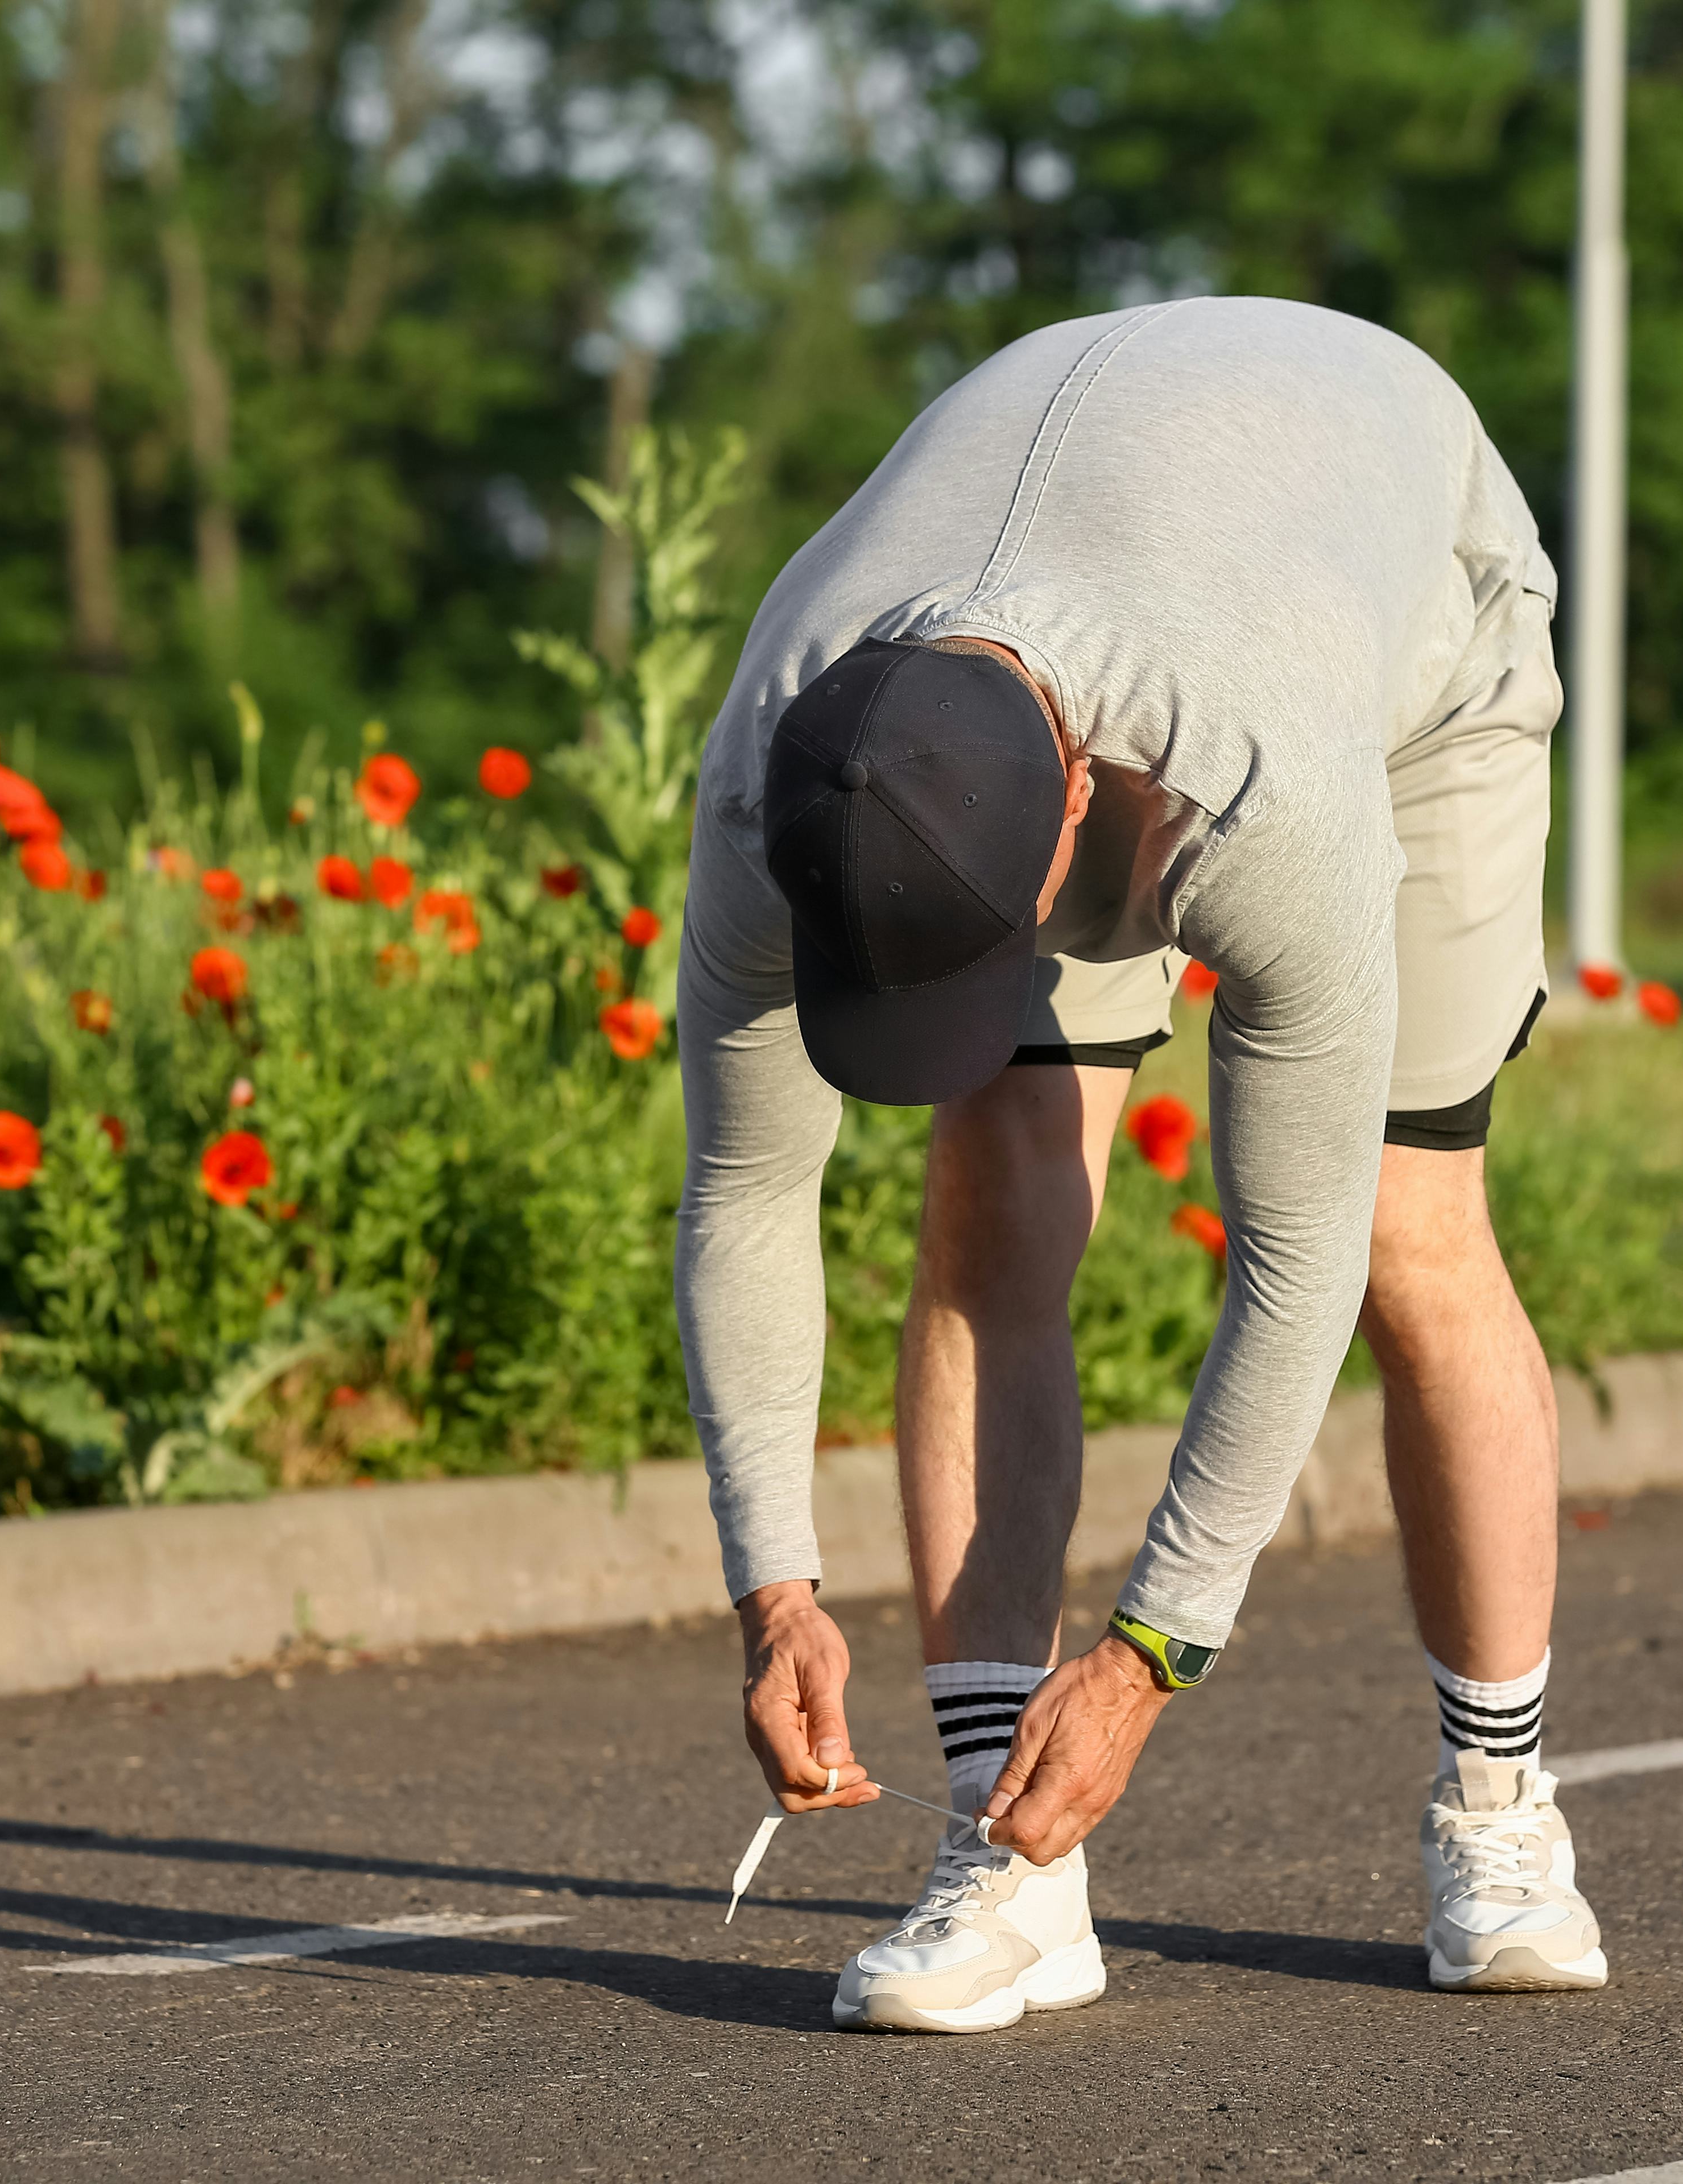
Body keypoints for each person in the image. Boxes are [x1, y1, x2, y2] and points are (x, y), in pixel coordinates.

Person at [677, 295, 1602, 2033]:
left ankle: (1500, 1810)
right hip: (1093, 549)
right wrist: (771, 1586)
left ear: (1073, 837)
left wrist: (1151, 1653)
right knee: (995, 1198)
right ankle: (1003, 1859)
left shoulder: (1261, 790)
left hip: (1404, 610)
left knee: (1405, 1231)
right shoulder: (774, 786)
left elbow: (1292, 1263)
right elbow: (743, 1192)